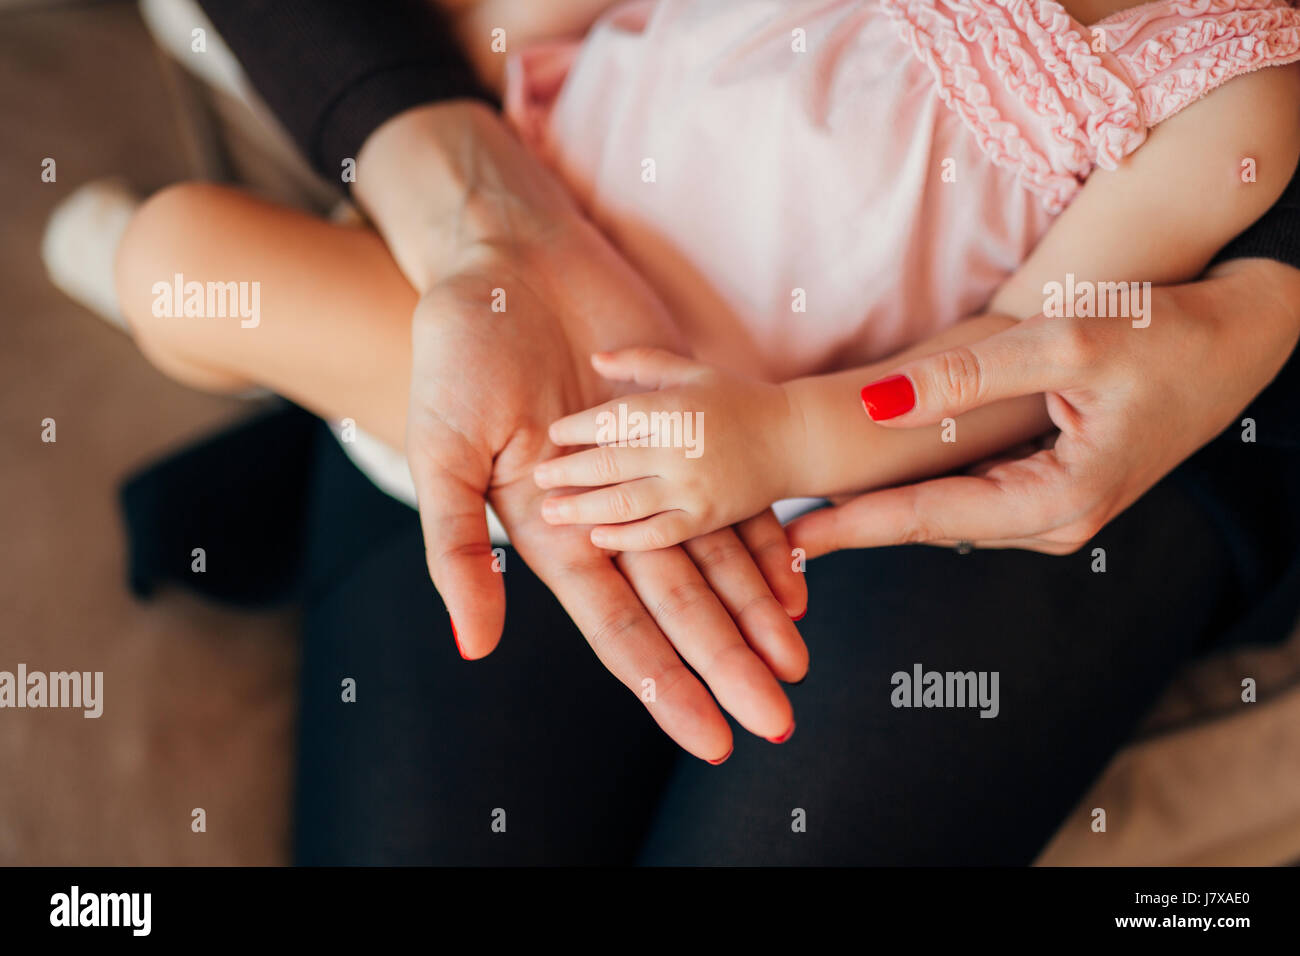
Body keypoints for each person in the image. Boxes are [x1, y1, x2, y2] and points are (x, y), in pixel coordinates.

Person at [108, 0, 1300, 863]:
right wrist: (474, 198)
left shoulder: (1226, 85)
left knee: (182, 268)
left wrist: (791, 438)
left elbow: (1024, 354)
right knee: (177, 260)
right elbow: (498, 37)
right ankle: (121, 258)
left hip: (741, 454)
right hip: (525, 287)